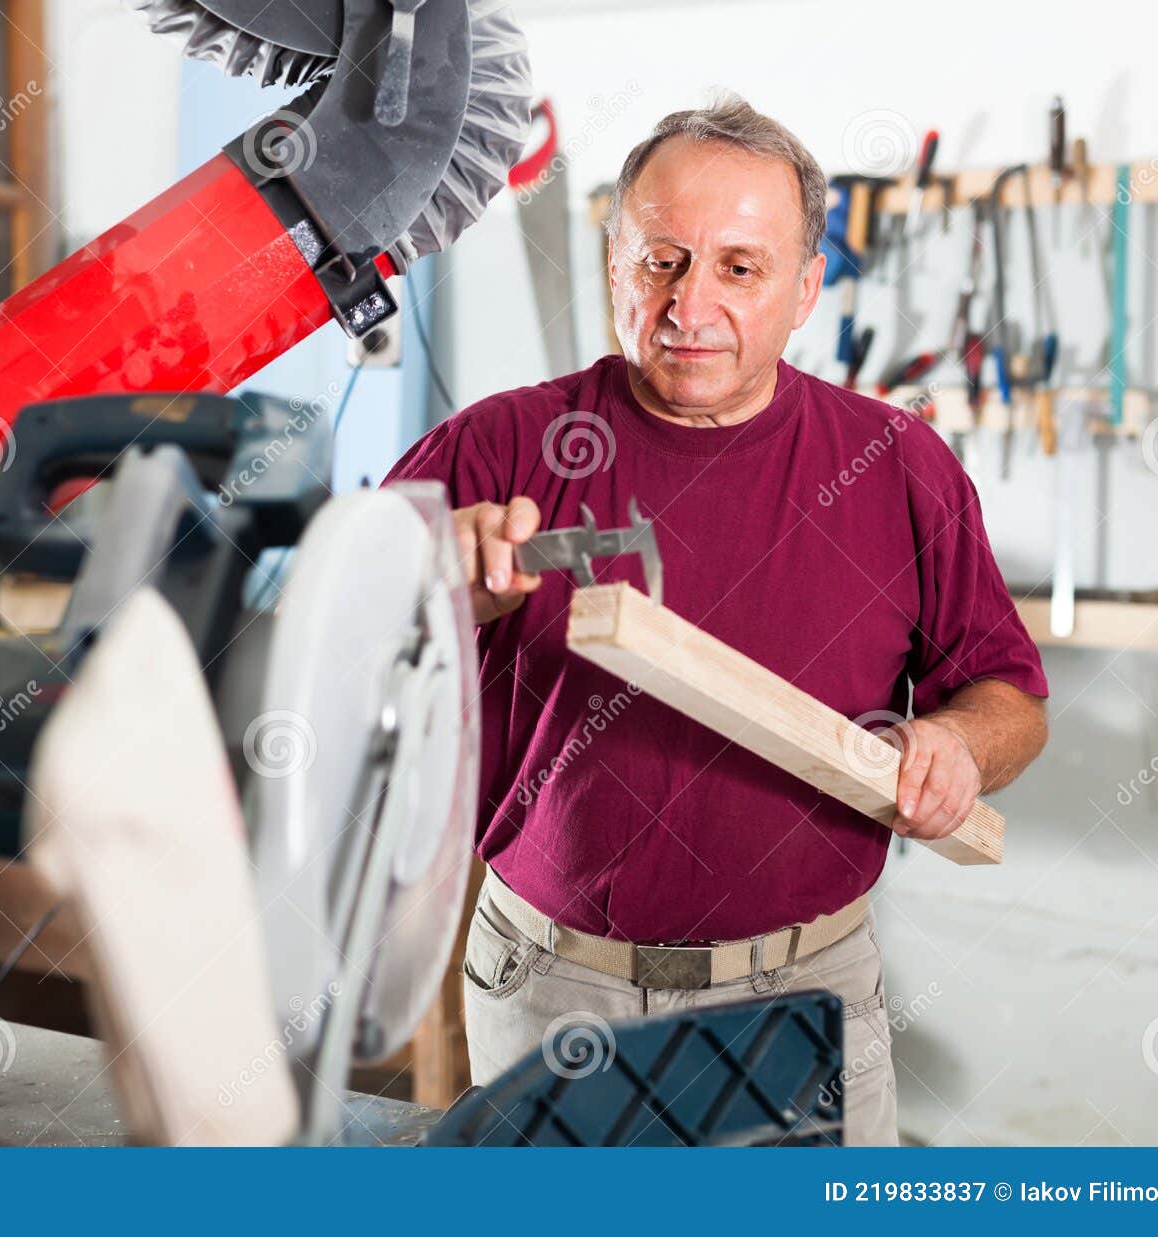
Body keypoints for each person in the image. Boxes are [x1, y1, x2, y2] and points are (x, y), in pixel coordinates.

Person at [382, 97, 1049, 1145]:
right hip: (556, 986)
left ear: (804, 288)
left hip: (808, 990)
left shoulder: (899, 467)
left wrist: (959, 743)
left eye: (739, 267)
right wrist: (429, 598)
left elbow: (1010, 696)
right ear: (613, 267)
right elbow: (325, 664)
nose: (690, 304)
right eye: (661, 261)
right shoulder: (495, 448)